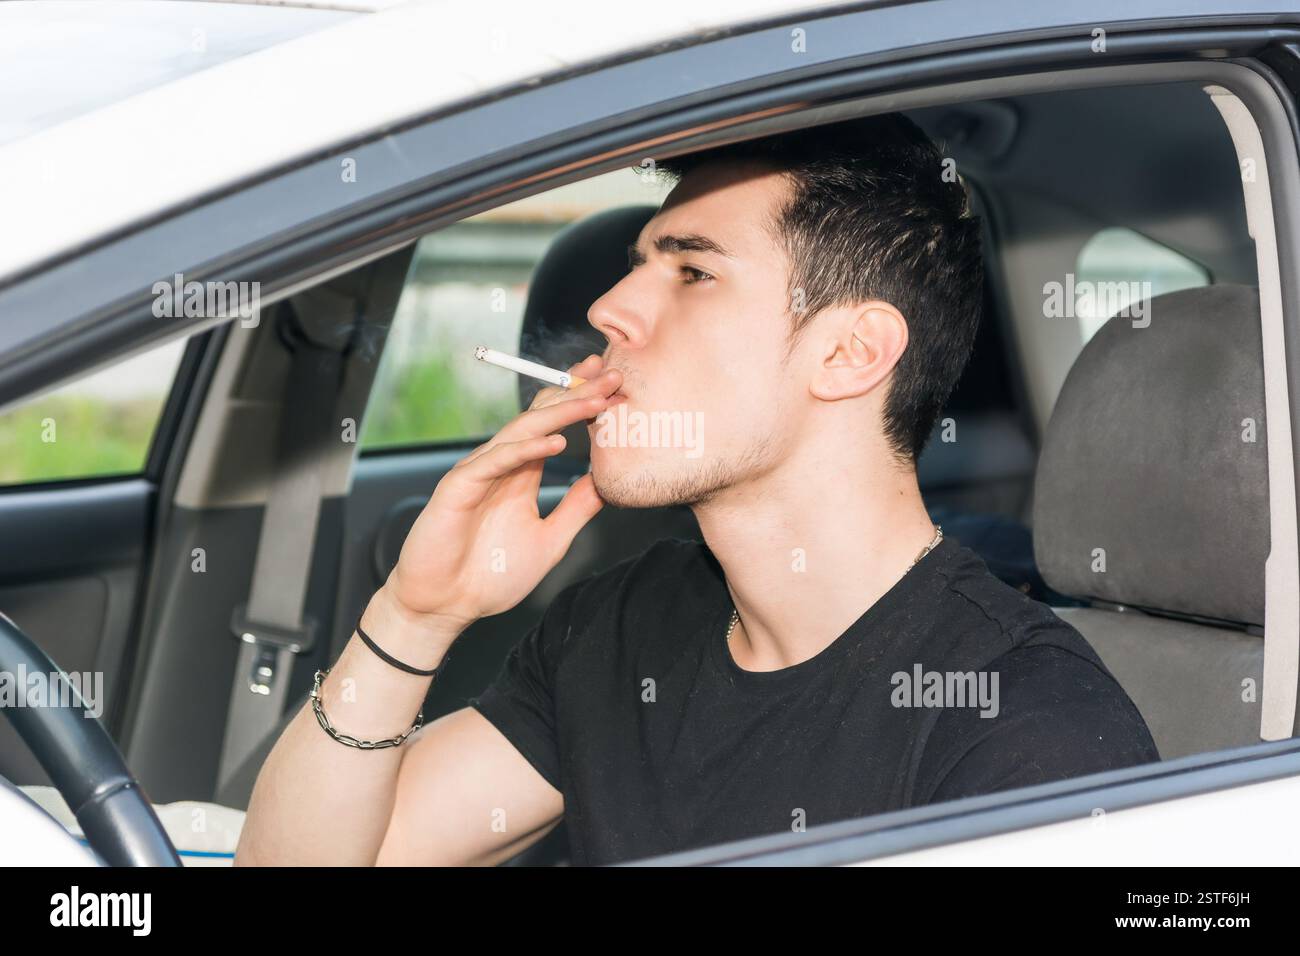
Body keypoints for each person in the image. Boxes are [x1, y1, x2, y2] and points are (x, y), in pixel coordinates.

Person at [235, 114, 1159, 867]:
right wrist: (414, 614)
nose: (608, 310)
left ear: (849, 353)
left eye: (693, 271)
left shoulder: (1024, 728)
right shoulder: (626, 625)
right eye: (640, 265)